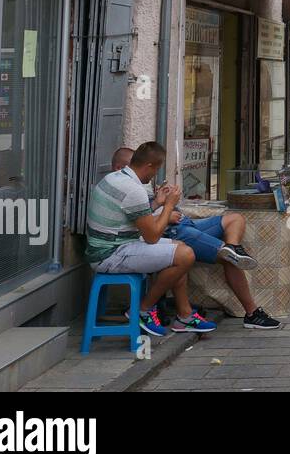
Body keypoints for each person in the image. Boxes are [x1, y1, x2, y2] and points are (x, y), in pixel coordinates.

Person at [110, 147, 282, 330]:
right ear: (120, 167)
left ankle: (233, 247)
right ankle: (252, 312)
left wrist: (159, 202)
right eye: (149, 168)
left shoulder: (129, 183)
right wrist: (167, 211)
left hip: (183, 224)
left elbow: (140, 215)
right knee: (226, 258)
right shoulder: (126, 187)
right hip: (173, 232)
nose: (152, 175)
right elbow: (144, 228)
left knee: (235, 219)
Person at [86, 142, 216, 337]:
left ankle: (185, 316)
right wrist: (169, 206)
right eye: (155, 170)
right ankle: (143, 309)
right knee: (185, 255)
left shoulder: (115, 178)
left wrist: (157, 203)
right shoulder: (133, 190)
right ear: (149, 166)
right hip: (110, 255)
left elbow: (133, 217)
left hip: (110, 246)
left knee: (181, 248)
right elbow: (153, 236)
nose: (154, 175)